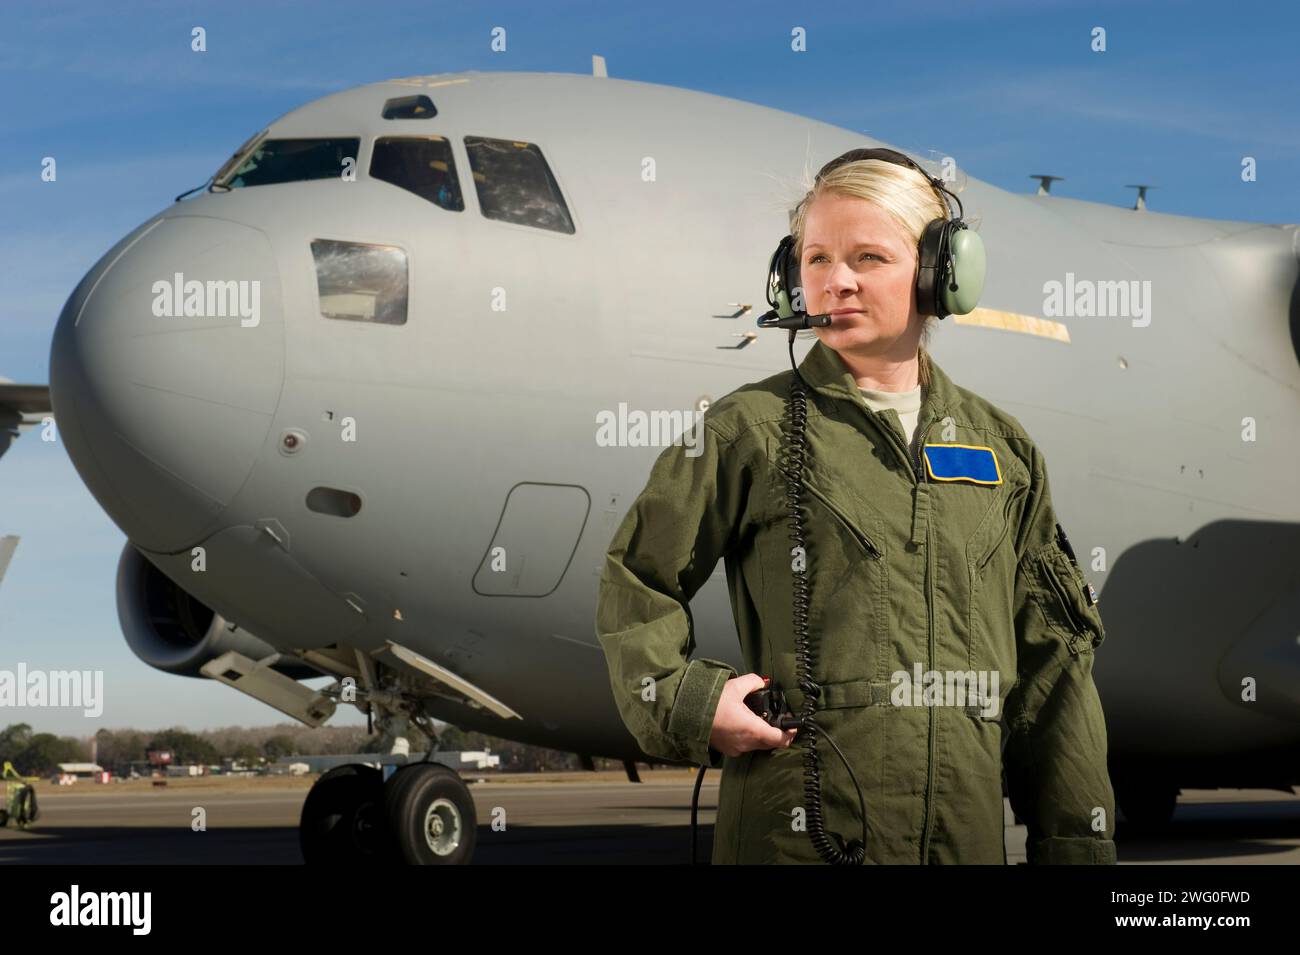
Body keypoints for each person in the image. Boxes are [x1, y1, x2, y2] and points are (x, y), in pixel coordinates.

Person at [595, 148, 1116, 864]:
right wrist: (688, 700)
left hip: (960, 844)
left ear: (939, 274)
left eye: (867, 257)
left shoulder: (1004, 452)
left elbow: (1053, 668)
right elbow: (638, 578)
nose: (834, 281)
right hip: (798, 837)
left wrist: (1077, 846)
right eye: (815, 259)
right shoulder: (745, 431)